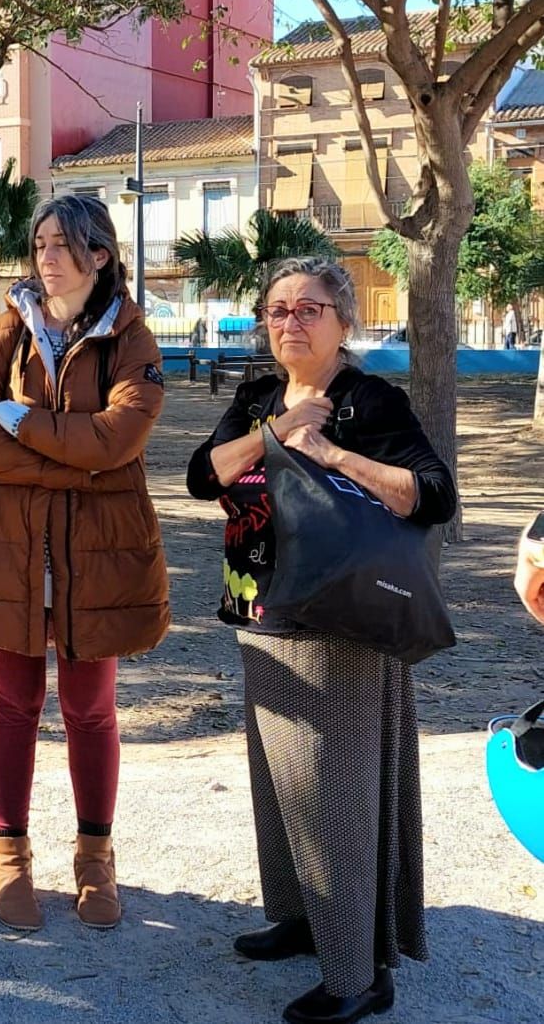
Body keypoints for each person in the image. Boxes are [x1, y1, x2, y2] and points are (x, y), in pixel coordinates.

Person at [186, 257, 456, 1024]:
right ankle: (304, 918)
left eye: (309, 309)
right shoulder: (255, 397)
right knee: (281, 786)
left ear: (343, 322)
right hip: (261, 612)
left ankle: (357, 974)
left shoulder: (369, 400)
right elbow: (201, 479)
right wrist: (273, 433)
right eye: (276, 309)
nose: (290, 322)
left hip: (339, 623)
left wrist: (331, 452)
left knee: (334, 796)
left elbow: (433, 496)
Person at [0, 194, 169, 933]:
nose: (45, 255)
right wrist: (68, 464)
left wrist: (28, 425)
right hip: (10, 546)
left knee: (90, 708)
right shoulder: (1, 333)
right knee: (12, 705)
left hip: (98, 554)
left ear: (99, 255)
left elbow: (116, 438)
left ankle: (94, 858)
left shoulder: (132, 339)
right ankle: (10, 854)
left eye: (63, 244)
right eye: (38, 242)